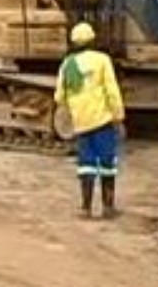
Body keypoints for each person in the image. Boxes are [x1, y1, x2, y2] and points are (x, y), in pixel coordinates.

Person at [54, 22, 126, 219]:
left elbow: (59, 96)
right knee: (107, 164)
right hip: (102, 121)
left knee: (86, 164)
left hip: (81, 123)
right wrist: (118, 116)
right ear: (93, 40)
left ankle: (85, 208)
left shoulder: (67, 64)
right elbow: (112, 90)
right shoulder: (102, 60)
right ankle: (108, 208)